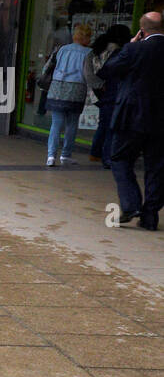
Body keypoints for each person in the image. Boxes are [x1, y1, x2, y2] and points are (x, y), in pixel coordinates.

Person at [101, 12, 164, 229]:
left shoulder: (134, 49)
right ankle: (150, 217)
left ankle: (131, 204)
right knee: (156, 167)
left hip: (131, 117)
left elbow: (107, 70)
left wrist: (128, 46)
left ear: (142, 30)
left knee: (119, 158)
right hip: (161, 121)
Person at [44, 23, 93, 166]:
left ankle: (51, 156)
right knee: (72, 124)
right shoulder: (88, 53)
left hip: (57, 88)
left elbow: (47, 67)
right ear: (86, 37)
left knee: (56, 124)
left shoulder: (62, 49)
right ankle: (66, 154)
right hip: (76, 89)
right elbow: (89, 74)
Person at [87, 24, 132, 166]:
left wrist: (98, 86)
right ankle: (106, 157)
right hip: (111, 91)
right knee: (111, 127)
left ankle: (95, 153)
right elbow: (110, 70)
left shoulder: (95, 49)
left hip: (97, 91)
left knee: (104, 124)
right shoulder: (118, 51)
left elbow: (91, 72)